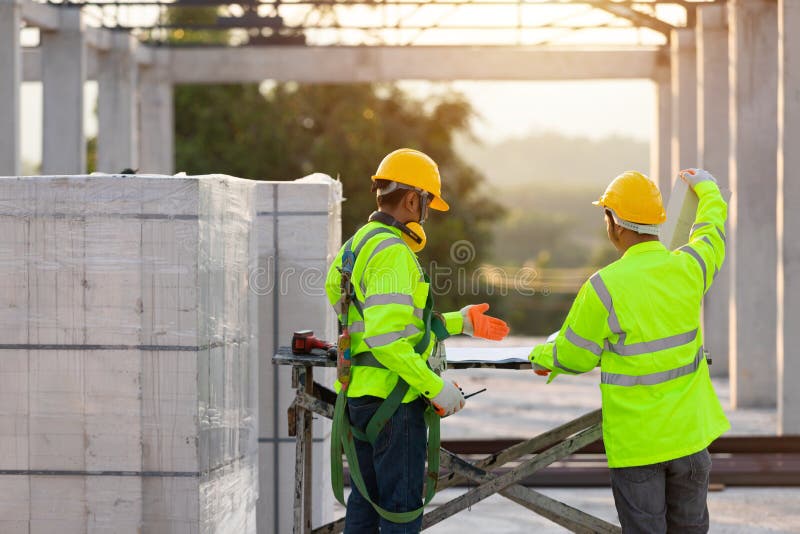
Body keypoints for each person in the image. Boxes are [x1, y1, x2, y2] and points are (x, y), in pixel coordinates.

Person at [529, 169, 730, 533]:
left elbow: (573, 355)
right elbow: (711, 232)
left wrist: (541, 356)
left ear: (615, 224)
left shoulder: (603, 287)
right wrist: (708, 189)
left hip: (638, 448)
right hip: (689, 439)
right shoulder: (689, 268)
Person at [325, 148, 509, 533]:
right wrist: (434, 386)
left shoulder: (355, 246)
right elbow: (387, 339)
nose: (426, 213)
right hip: (395, 403)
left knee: (365, 504)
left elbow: (372, 320)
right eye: (426, 203)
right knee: (400, 512)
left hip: (359, 397)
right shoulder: (394, 254)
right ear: (413, 199)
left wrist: (462, 322)